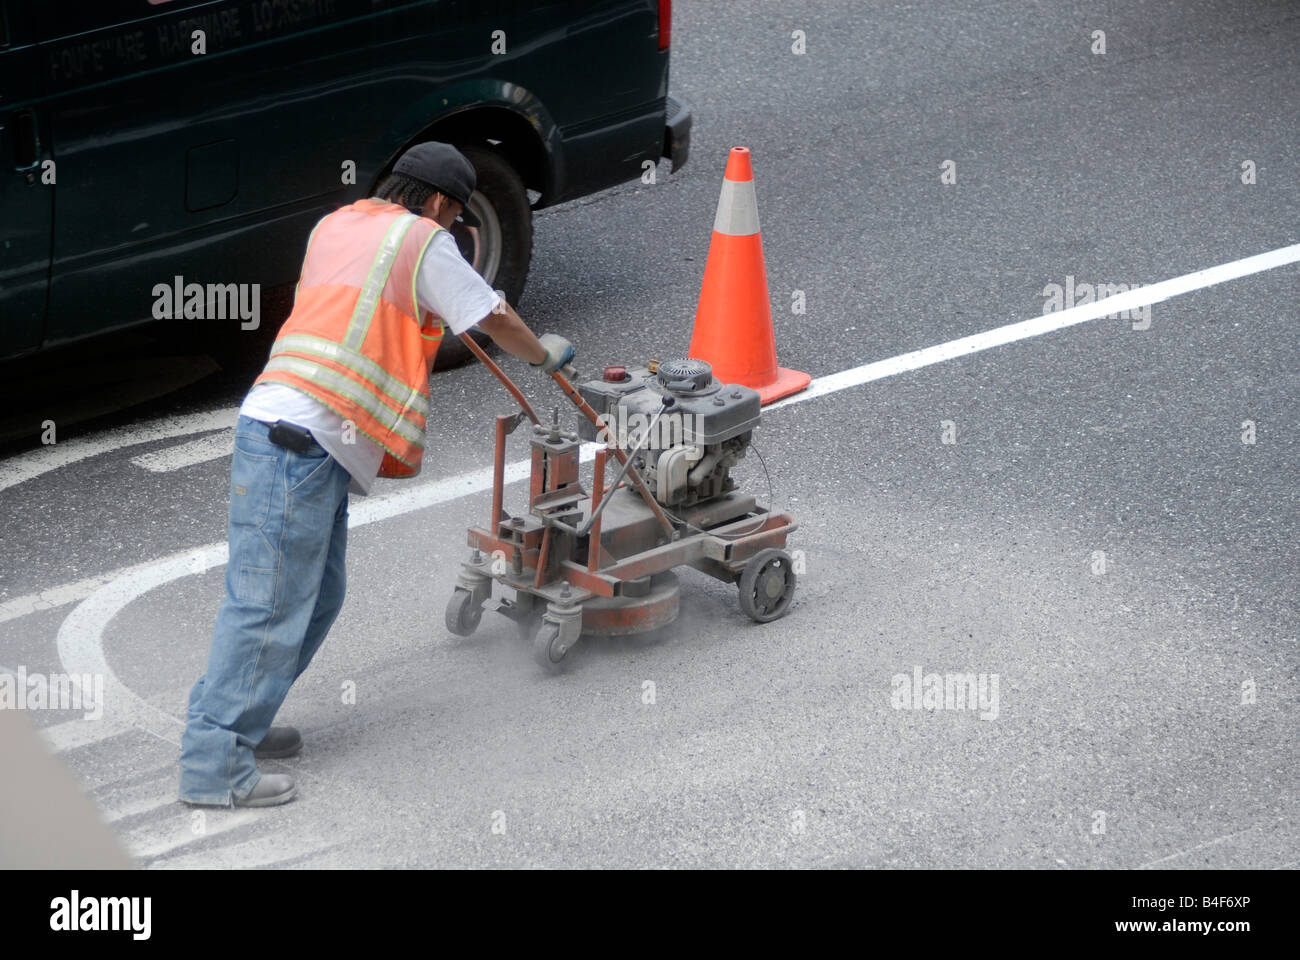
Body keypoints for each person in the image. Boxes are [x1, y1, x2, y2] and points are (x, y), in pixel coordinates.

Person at [178, 142, 574, 808]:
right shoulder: (421, 240)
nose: (449, 230)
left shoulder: (337, 225)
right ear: (442, 203)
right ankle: (213, 758)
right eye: (452, 218)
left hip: (294, 434)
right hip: (301, 441)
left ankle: (238, 717)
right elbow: (491, 315)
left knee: (313, 597)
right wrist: (542, 353)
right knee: (267, 607)